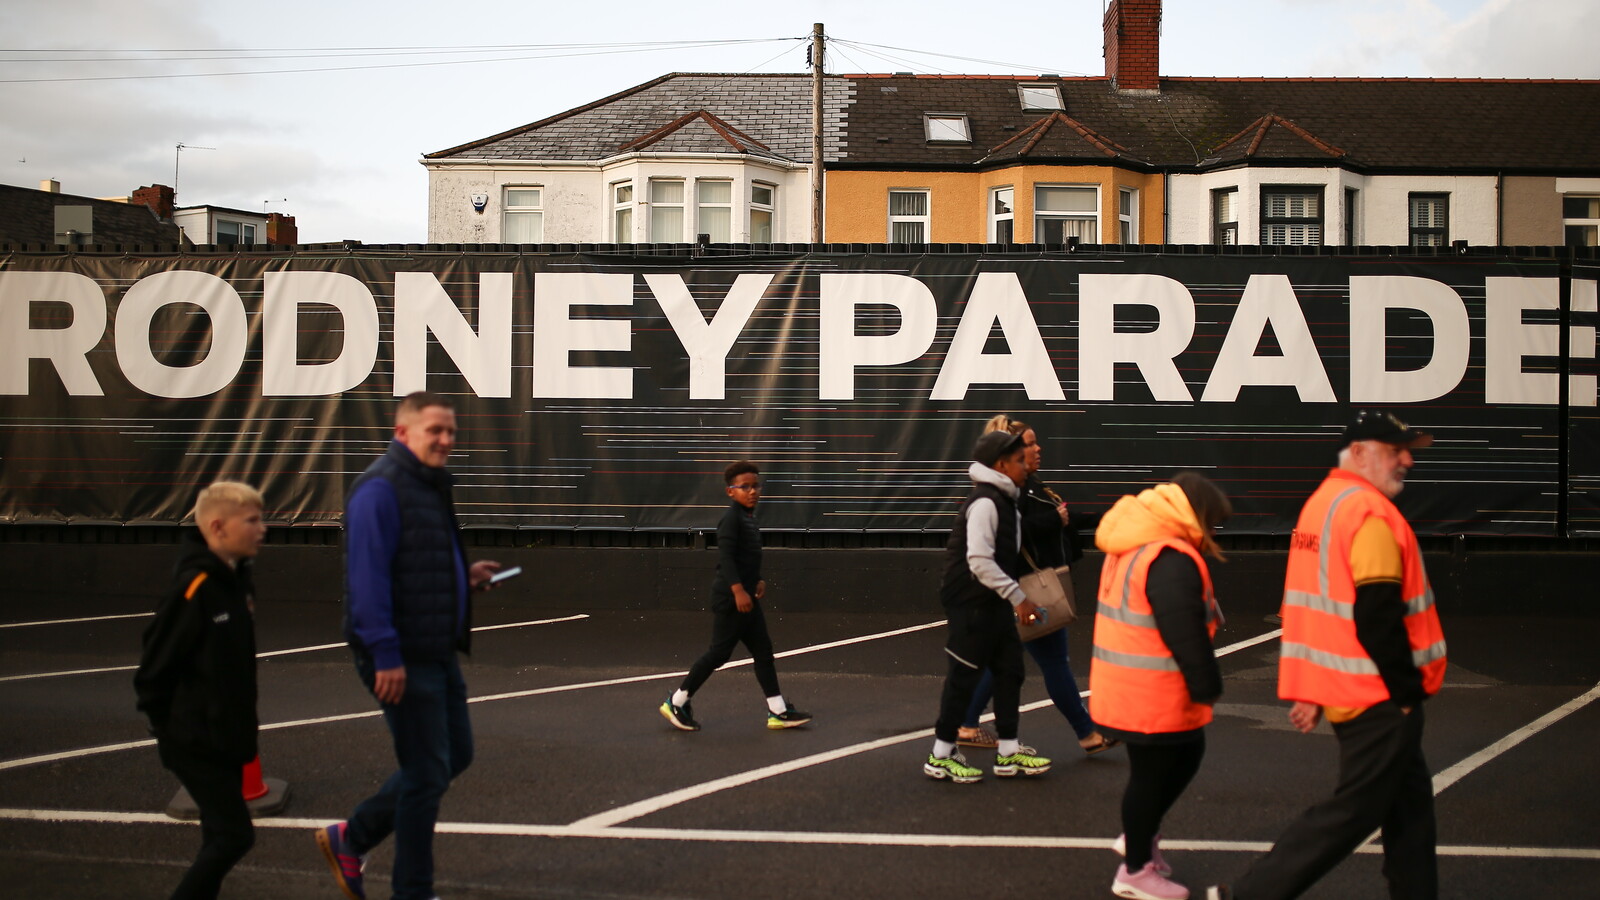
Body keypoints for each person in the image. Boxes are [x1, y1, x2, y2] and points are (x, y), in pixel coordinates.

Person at [1208, 411, 1447, 900]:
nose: (1406, 460)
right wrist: (1405, 695)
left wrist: (1309, 689)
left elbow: (1306, 606)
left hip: (1351, 689)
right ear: (1359, 453)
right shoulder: (1370, 512)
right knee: (1353, 812)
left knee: (1410, 810)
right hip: (1378, 696)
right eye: (1393, 449)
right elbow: (1377, 613)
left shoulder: (1322, 506)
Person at [316, 391, 503, 900]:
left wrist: (463, 579)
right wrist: (385, 654)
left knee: (454, 756)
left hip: (435, 648)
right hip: (400, 654)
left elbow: (414, 564)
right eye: (434, 431)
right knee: (425, 777)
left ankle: (351, 837)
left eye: (451, 432)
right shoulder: (380, 489)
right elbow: (368, 581)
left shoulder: (428, 484)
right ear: (403, 432)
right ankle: (412, 892)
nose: (445, 440)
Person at [1090, 472, 1231, 900]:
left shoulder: (1137, 544)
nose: (1213, 532)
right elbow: (1183, 629)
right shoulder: (1169, 556)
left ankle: (1140, 837)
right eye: (1213, 521)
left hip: (1131, 685)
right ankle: (1134, 869)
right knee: (1155, 776)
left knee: (1168, 765)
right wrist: (1206, 682)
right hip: (1152, 689)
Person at [134, 481, 267, 900]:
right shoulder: (195, 588)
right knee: (234, 836)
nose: (262, 528)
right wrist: (169, 732)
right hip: (194, 740)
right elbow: (154, 669)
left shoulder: (236, 581)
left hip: (225, 737)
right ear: (218, 526)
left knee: (217, 835)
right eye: (252, 520)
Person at [957, 415, 1117, 757]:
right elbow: (1004, 541)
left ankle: (967, 724)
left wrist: (1107, 517)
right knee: (1052, 661)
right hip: (1025, 590)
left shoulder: (1027, 486)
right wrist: (1016, 594)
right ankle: (1085, 734)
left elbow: (1063, 522)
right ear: (1009, 453)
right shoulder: (1004, 494)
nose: (1037, 449)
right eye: (1029, 444)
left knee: (1006, 659)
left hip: (1027, 587)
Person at [923, 430, 1052, 783]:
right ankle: (940, 756)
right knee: (963, 679)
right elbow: (979, 561)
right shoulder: (985, 503)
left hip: (993, 603)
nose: (1026, 465)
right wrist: (1020, 597)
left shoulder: (1006, 500)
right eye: (1019, 460)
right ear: (1000, 465)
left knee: (1010, 673)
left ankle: (1008, 753)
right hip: (971, 603)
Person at [660, 460, 812, 731]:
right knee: (719, 653)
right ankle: (677, 701)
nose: (752, 491)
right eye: (745, 487)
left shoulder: (748, 518)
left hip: (746, 597)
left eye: (756, 486)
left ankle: (777, 711)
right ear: (731, 492)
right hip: (731, 599)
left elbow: (747, 558)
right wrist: (739, 590)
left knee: (763, 651)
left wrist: (758, 580)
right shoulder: (731, 518)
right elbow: (727, 559)